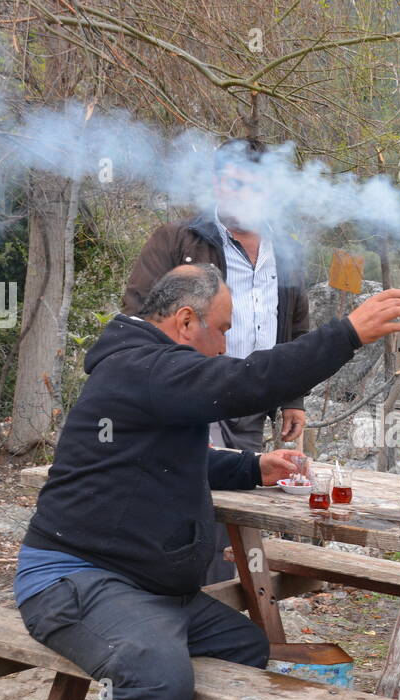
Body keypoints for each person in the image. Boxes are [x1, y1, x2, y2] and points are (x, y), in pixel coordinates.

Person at [16, 263, 400, 700]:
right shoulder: (143, 368)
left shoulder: (146, 371)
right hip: (75, 579)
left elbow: (162, 456)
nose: (226, 344)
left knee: (243, 647)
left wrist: (252, 467)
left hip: (140, 584)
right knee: (153, 676)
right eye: (223, 329)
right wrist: (346, 333)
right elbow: (246, 382)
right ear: (186, 321)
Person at [122, 138, 308, 584]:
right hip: (191, 392)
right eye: (224, 181)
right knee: (192, 497)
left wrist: (292, 397)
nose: (231, 191)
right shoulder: (176, 241)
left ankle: (226, 602)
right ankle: (186, 596)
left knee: (238, 504)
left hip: (251, 398)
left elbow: (295, 329)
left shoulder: (287, 250)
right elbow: (137, 316)